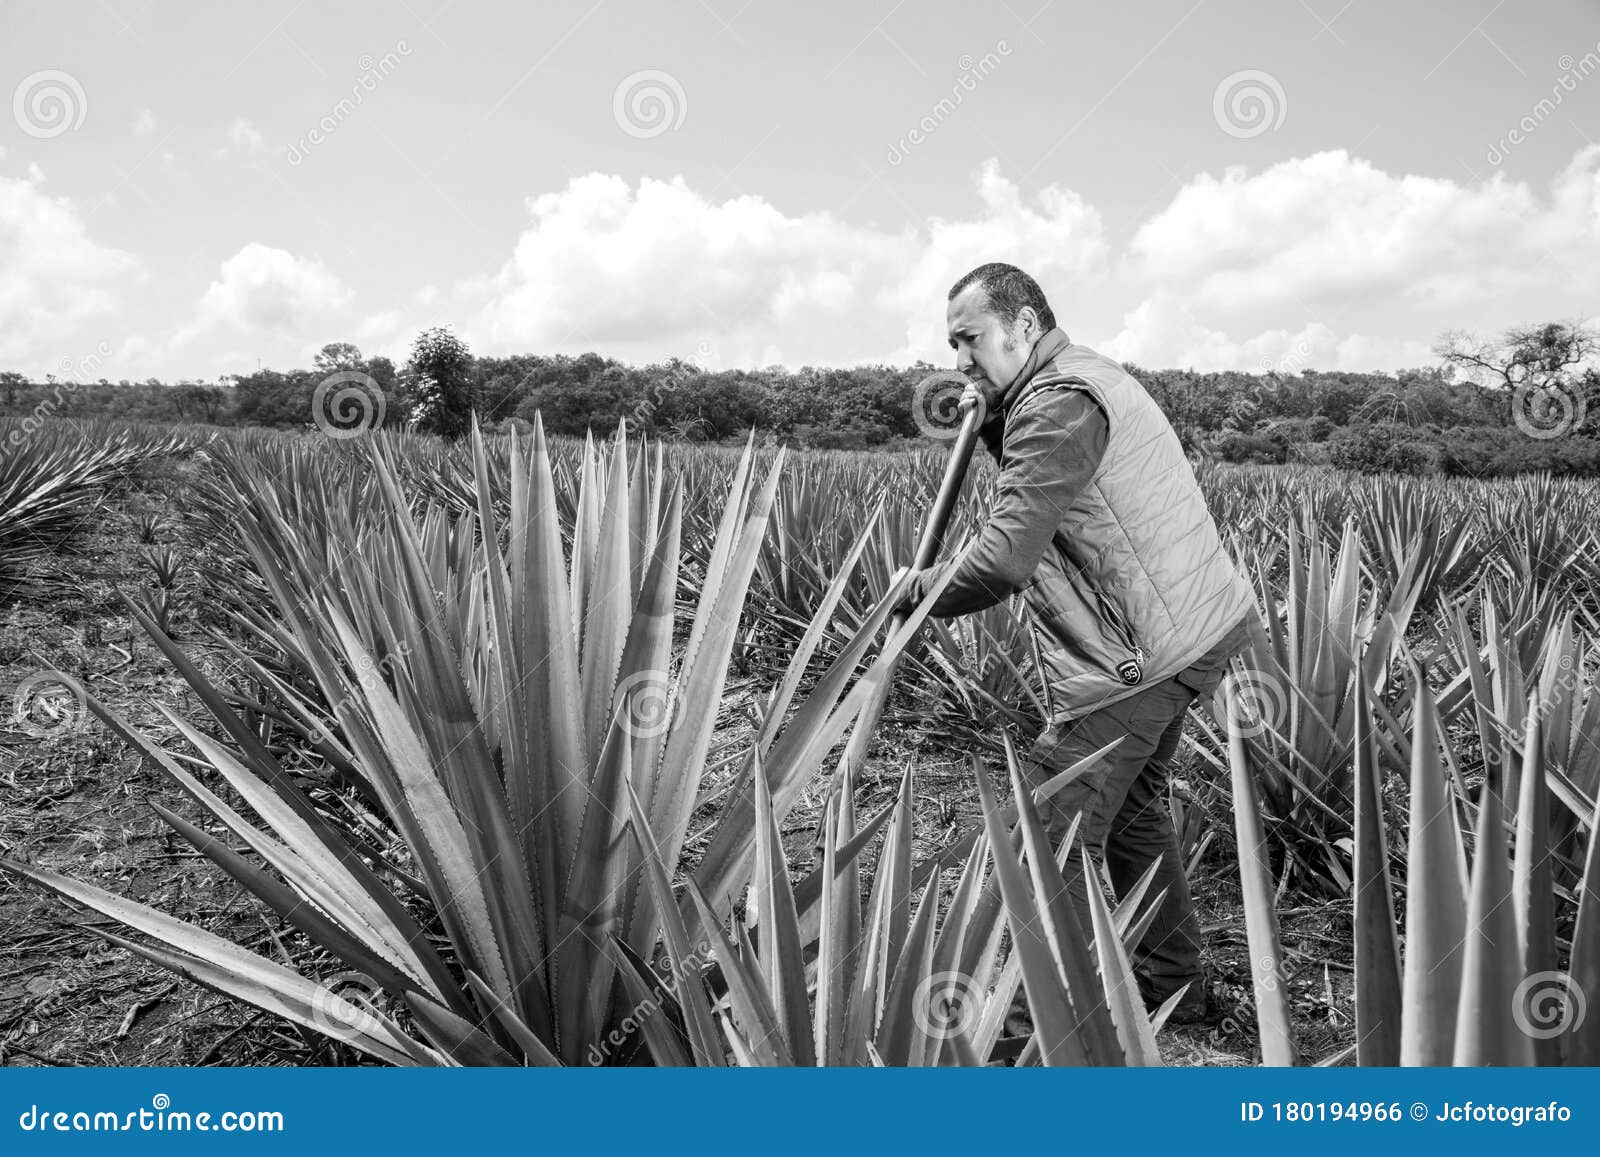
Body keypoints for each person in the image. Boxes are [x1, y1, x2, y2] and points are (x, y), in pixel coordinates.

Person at [894, 262, 1260, 1026]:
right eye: (952, 345)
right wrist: (991, 409)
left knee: (1044, 842)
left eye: (971, 340)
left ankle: (1024, 1033)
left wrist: (915, 592)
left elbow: (1002, 559)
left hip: (1140, 654)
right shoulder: (1068, 382)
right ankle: (1179, 991)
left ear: (1024, 326)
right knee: (1130, 815)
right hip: (1194, 628)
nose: (958, 360)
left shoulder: (1057, 404)